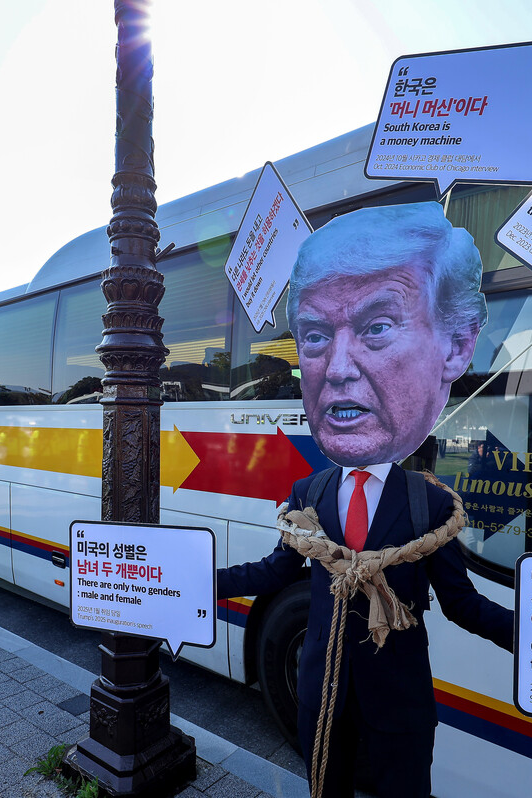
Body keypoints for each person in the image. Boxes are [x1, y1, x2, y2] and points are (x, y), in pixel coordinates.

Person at [217, 203, 512, 798]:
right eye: (316, 337)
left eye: (377, 328)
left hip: (398, 710)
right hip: (321, 704)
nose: (339, 370)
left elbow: (462, 605)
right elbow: (275, 571)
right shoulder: (310, 492)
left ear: (456, 346)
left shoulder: (430, 504)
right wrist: (185, 578)